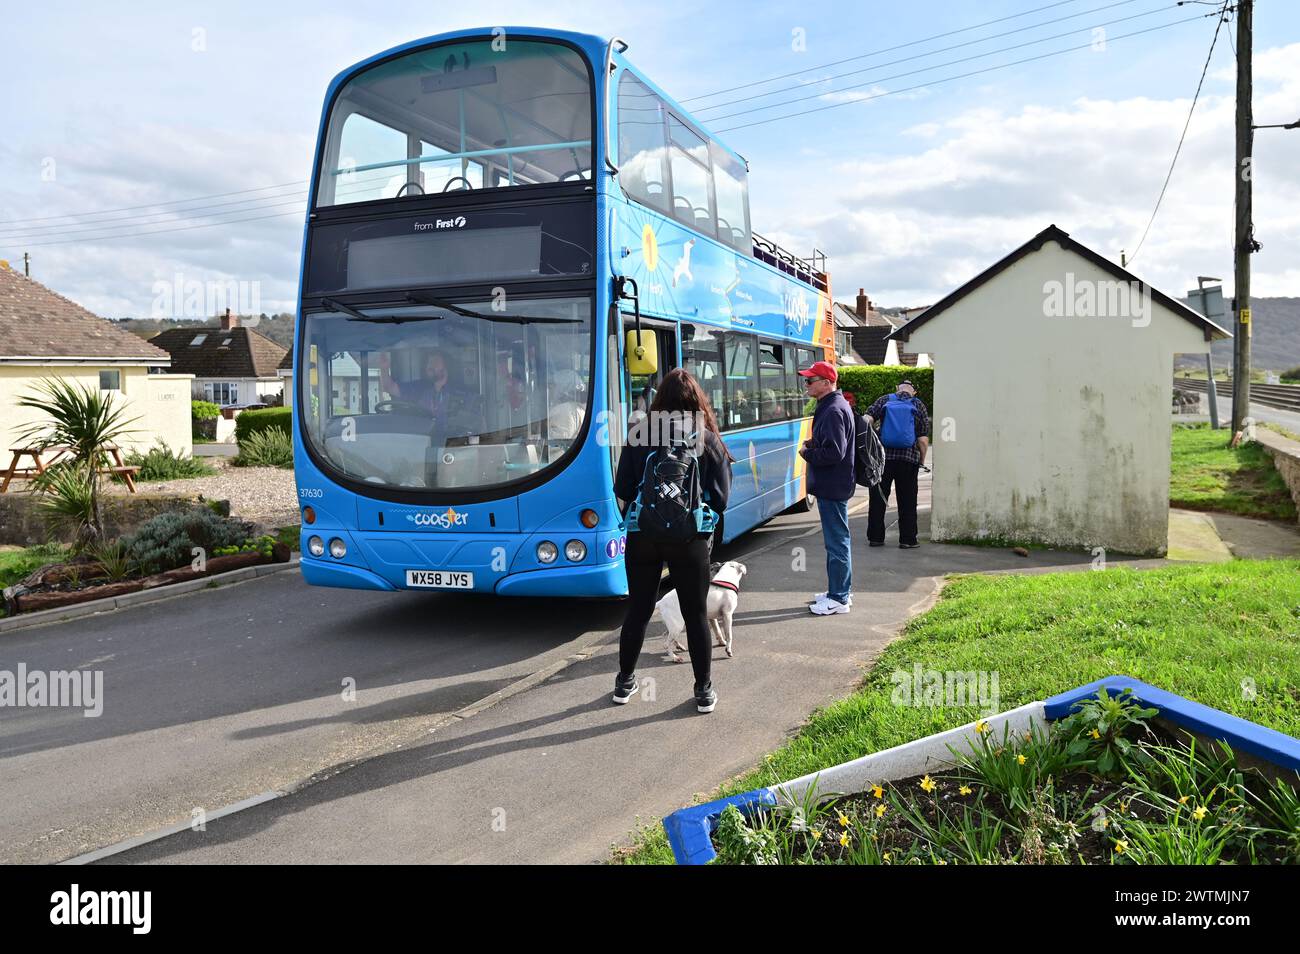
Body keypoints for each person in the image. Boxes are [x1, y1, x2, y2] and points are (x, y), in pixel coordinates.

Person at [612, 368, 732, 713]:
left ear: (659, 399)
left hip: (643, 536)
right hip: (690, 538)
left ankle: (624, 683)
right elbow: (721, 501)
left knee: (638, 610)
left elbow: (622, 489)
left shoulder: (639, 433)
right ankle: (703, 691)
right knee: (695, 614)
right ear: (696, 399)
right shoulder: (706, 437)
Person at [798, 360, 855, 616]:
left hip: (832, 485)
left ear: (826, 382)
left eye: (811, 380)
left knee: (837, 542)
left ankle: (839, 598)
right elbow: (833, 442)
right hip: (835, 484)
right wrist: (815, 442)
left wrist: (807, 452)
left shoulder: (832, 410)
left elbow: (835, 452)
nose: (806, 383)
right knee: (837, 541)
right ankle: (838, 591)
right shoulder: (832, 405)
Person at [865, 379, 931, 549]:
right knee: (908, 501)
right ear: (913, 391)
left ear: (897, 389)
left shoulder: (885, 400)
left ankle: (876, 538)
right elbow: (923, 440)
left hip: (883, 460)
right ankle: (908, 540)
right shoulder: (918, 404)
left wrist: (871, 442)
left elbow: (867, 420)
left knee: (878, 498)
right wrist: (921, 460)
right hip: (908, 461)